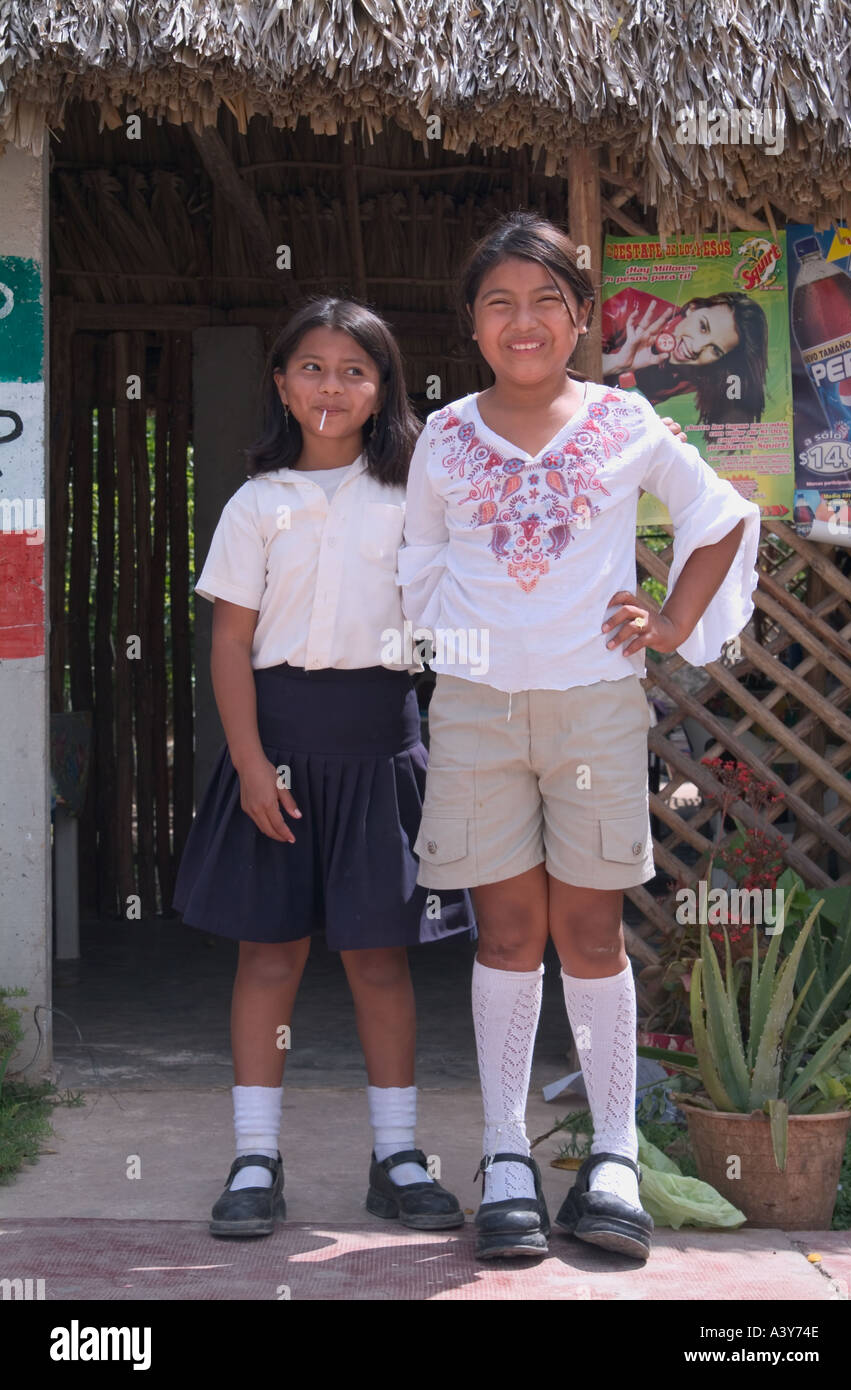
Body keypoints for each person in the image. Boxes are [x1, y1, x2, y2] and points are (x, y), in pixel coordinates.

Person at [398, 213, 760, 1262]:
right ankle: (505, 1152)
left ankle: (611, 1155)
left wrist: (676, 622)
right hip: (474, 712)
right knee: (506, 938)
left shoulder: (622, 422)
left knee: (589, 939)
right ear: (471, 322)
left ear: (580, 317)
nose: (523, 321)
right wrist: (463, 645)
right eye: (499, 302)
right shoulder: (444, 435)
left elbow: (721, 513)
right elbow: (421, 561)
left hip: (596, 708)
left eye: (545, 300)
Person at [173, 297, 475, 1238]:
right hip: (279, 748)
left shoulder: (416, 497)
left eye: (355, 369)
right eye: (312, 366)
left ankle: (397, 1158)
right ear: (281, 383)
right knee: (269, 954)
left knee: (379, 959)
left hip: (382, 745)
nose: (331, 385)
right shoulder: (256, 503)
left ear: (383, 387)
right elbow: (231, 645)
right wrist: (251, 763)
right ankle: (255, 1160)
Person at [601, 286, 769, 424]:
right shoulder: (627, 306)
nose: (696, 348)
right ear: (692, 308)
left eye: (715, 350)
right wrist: (617, 362)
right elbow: (577, 377)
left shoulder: (700, 374)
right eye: (703, 326)